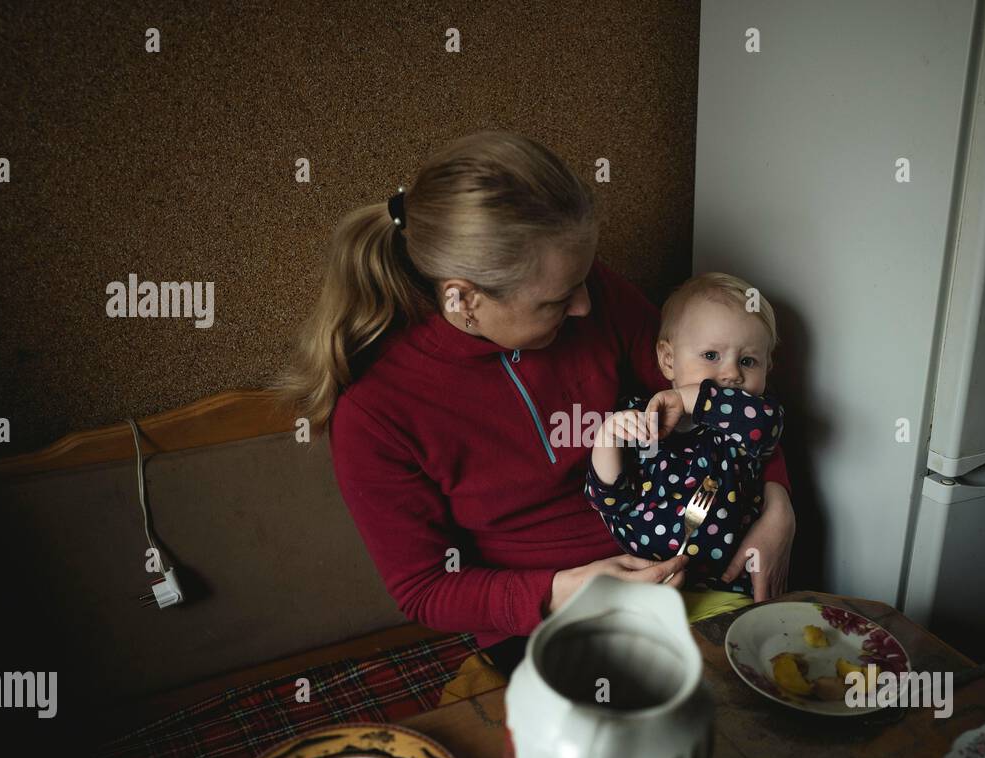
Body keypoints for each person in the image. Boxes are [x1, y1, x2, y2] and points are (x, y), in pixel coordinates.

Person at [277, 130, 795, 675]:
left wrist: (778, 502)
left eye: (583, 279)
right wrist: (559, 590)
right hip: (548, 620)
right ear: (464, 299)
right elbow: (424, 589)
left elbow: (718, 396)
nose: (584, 305)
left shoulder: (594, 295)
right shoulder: (377, 415)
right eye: (555, 301)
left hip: (690, 571)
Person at [586, 272, 784, 596]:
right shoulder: (642, 416)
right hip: (646, 580)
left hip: (730, 584)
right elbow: (608, 501)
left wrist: (689, 398)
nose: (732, 373)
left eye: (748, 361)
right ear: (667, 359)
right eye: (711, 356)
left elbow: (763, 424)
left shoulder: (747, 424)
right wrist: (606, 440)